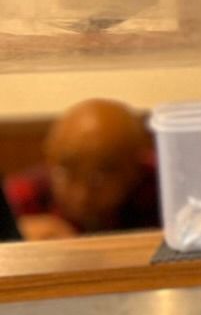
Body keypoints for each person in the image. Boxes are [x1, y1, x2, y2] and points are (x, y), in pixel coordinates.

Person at [3, 98, 160, 241]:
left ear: (133, 171)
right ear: (49, 160)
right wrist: (15, 235)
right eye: (66, 173)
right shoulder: (21, 196)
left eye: (97, 179)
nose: (81, 195)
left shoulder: (158, 185)